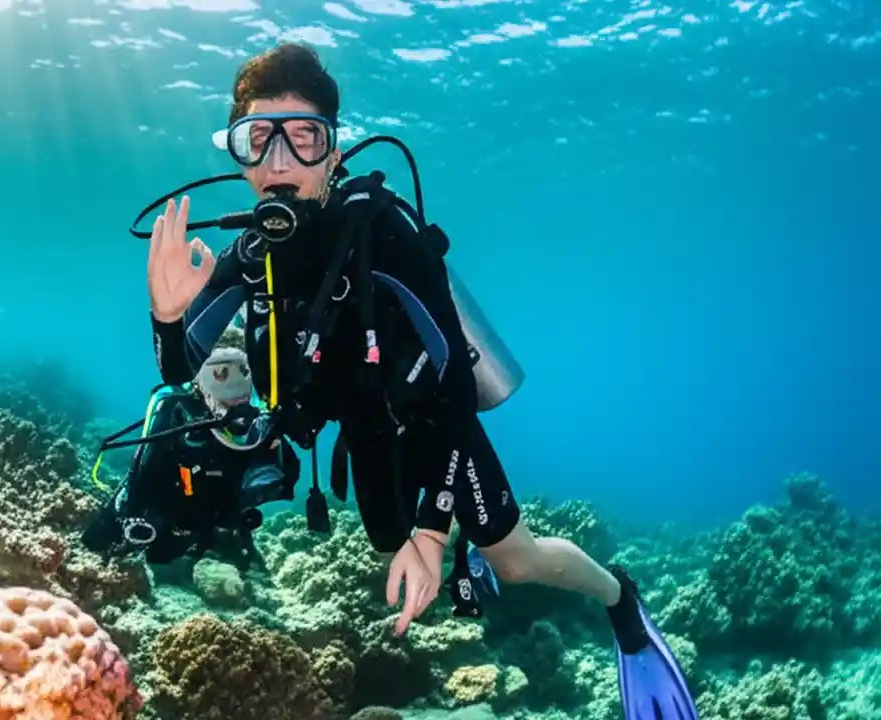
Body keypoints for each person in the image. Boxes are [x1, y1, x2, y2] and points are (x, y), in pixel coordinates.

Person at [140, 42, 699, 720]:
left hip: (435, 421)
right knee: (384, 543)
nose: (281, 162)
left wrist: (435, 533)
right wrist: (168, 319)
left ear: (334, 154)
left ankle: (619, 597)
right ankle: (460, 553)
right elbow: (179, 376)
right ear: (239, 156)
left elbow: (458, 395)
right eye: (259, 139)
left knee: (514, 557)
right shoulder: (246, 256)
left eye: (304, 138)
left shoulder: (389, 239)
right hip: (364, 432)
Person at [82, 337, 299, 573]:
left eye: (245, 372)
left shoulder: (261, 425)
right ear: (198, 382)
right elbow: (141, 486)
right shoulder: (177, 416)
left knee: (244, 564)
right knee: (98, 548)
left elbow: (284, 475)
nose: (236, 388)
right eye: (221, 373)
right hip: (171, 517)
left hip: (218, 522)